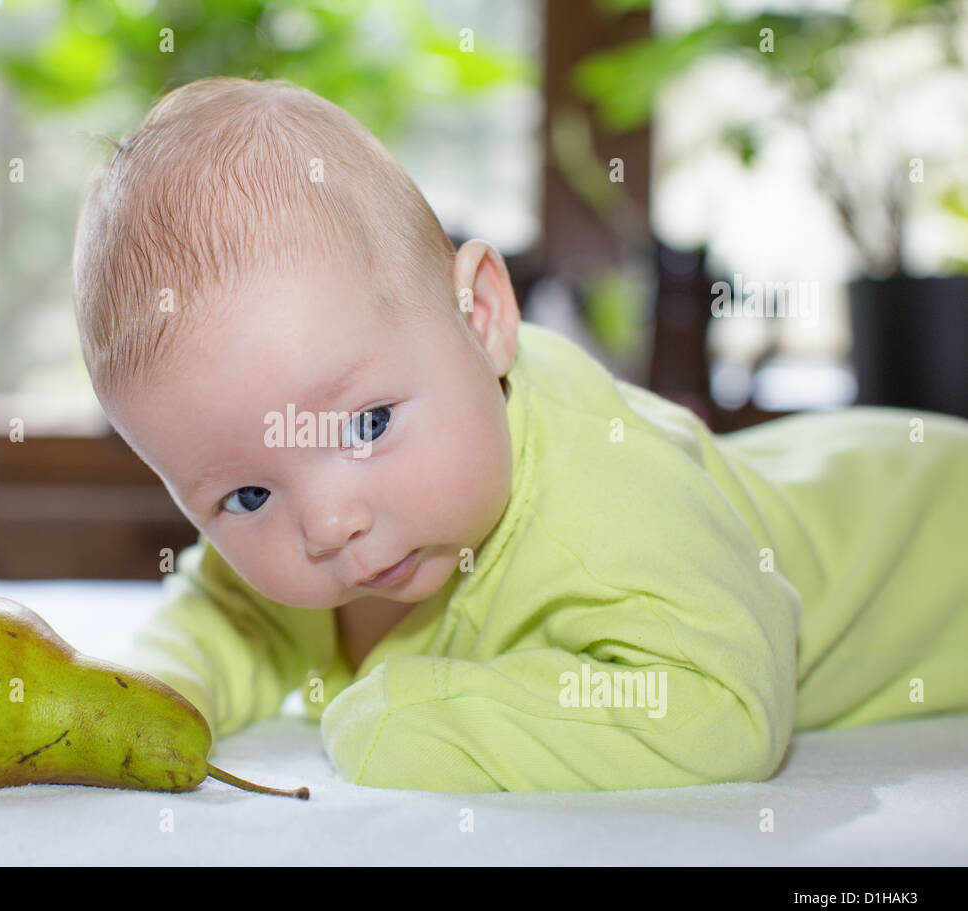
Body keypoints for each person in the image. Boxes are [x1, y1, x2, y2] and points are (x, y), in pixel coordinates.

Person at [70, 75, 968, 792]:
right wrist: (156, 700)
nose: (328, 522)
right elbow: (220, 620)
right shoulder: (355, 510)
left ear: (482, 315)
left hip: (934, 522)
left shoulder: (606, 503)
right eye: (247, 495)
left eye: (369, 424)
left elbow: (724, 707)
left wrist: (416, 718)